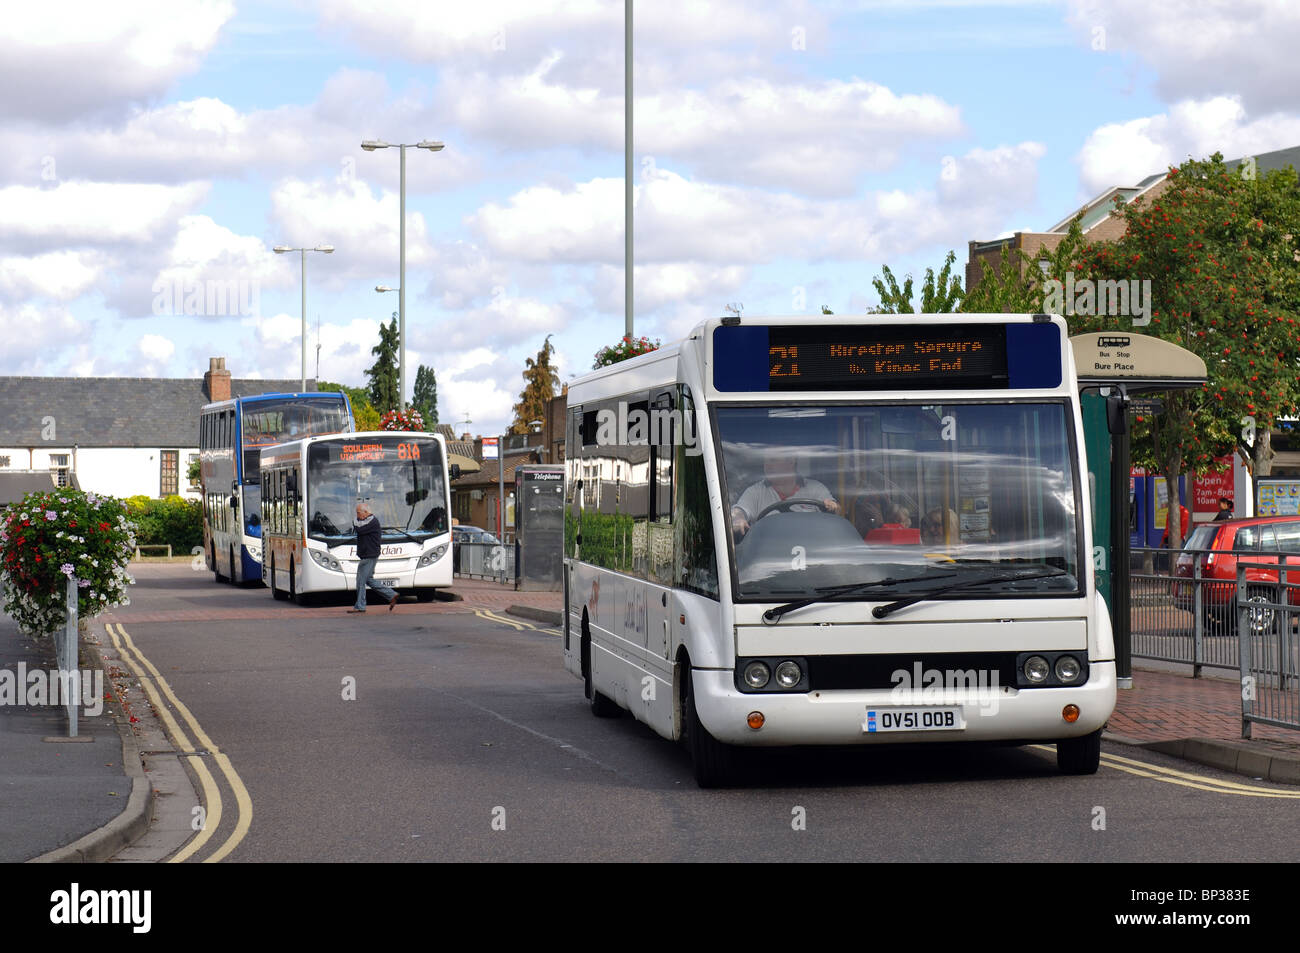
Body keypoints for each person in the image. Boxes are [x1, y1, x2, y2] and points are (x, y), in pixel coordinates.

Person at [731, 448, 839, 538]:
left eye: (773, 460)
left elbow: (835, 510)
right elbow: (740, 509)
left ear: (791, 461)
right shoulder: (755, 491)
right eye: (766, 461)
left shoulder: (815, 488)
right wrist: (738, 518)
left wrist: (832, 506)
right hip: (768, 557)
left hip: (811, 552)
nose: (767, 465)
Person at [348, 502, 398, 613]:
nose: (357, 515)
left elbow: (359, 529)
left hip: (368, 555)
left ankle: (360, 606)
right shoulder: (367, 521)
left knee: (360, 580)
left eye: (358, 512)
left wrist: (354, 522)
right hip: (370, 554)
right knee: (368, 580)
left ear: (366, 512)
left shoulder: (372, 521)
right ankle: (392, 594)